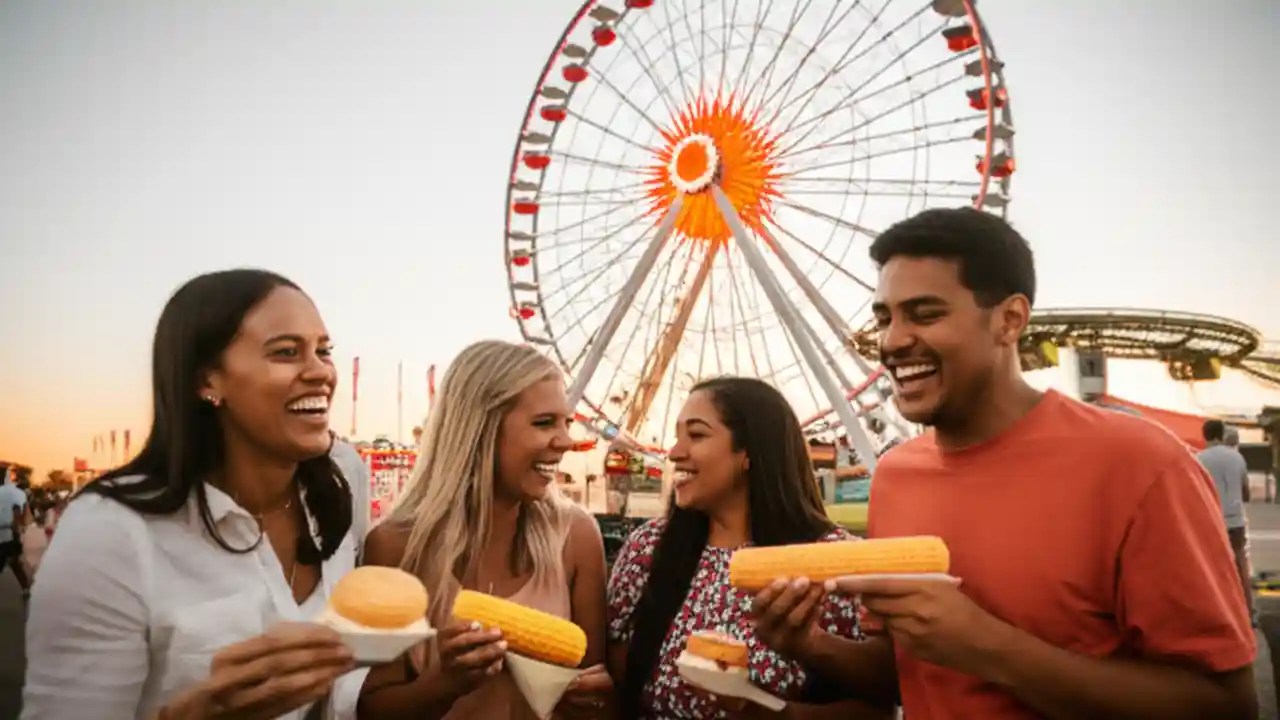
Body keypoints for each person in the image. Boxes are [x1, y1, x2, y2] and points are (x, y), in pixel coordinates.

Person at [751, 207, 1257, 719]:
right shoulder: (896, 476)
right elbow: (911, 673)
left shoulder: (1139, 464)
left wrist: (988, 646)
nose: (893, 341)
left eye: (925, 314)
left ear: (1010, 319)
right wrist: (810, 644)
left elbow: (1226, 704)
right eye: (885, 317)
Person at [24, 269, 364, 720]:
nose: (321, 371)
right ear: (207, 381)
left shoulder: (344, 476)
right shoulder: (110, 532)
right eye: (286, 352)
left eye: (324, 351)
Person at [607, 377, 890, 720]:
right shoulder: (648, 548)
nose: (675, 452)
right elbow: (618, 675)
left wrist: (776, 714)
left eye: (696, 435)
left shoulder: (835, 564)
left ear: (749, 453)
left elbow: (879, 705)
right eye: (678, 435)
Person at [357, 340, 611, 719]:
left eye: (566, 423)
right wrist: (444, 683)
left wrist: (596, 696)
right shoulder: (394, 547)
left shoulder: (576, 537)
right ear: (481, 428)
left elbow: (596, 693)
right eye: (544, 423)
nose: (565, 442)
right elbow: (372, 709)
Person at [1199, 421, 1255, 624]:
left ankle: (1217, 614)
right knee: (1240, 565)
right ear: (1222, 434)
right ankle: (1248, 613)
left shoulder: (1199, 459)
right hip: (1235, 520)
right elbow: (1245, 492)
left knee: (1211, 567)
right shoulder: (1237, 457)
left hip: (1211, 519)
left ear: (1204, 436)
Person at [0, 467, 29, 595]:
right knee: (15, 563)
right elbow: (20, 512)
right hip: (10, 534)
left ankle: (26, 588)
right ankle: (26, 589)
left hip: (6, 534)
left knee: (13, 563)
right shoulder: (17, 493)